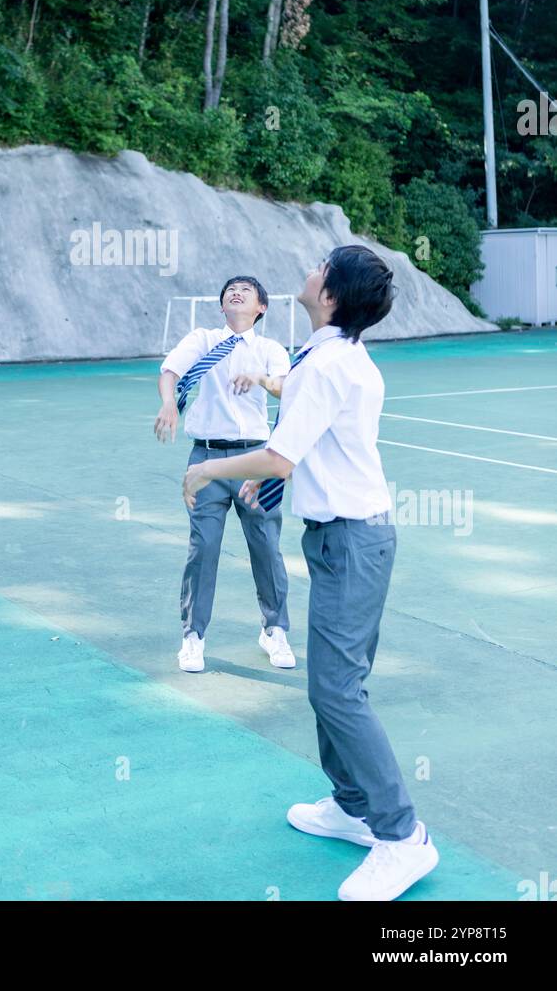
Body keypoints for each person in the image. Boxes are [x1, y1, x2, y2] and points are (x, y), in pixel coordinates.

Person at [182, 246, 439, 903]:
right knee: (333, 684)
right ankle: (352, 807)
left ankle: (402, 836)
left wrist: (206, 470)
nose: (311, 267)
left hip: (352, 540)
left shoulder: (326, 365)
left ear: (331, 293)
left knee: (337, 691)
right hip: (339, 539)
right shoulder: (323, 356)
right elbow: (301, 421)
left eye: (323, 264)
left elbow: (279, 458)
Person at [156, 276, 293, 674]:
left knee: (266, 546)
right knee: (204, 548)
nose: (236, 292)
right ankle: (193, 636)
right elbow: (171, 372)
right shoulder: (203, 340)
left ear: (261, 307)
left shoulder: (269, 349)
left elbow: (285, 387)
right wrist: (168, 404)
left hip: (257, 459)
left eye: (246, 291)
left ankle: (274, 629)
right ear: (222, 306)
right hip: (207, 460)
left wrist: (261, 378)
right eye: (230, 290)